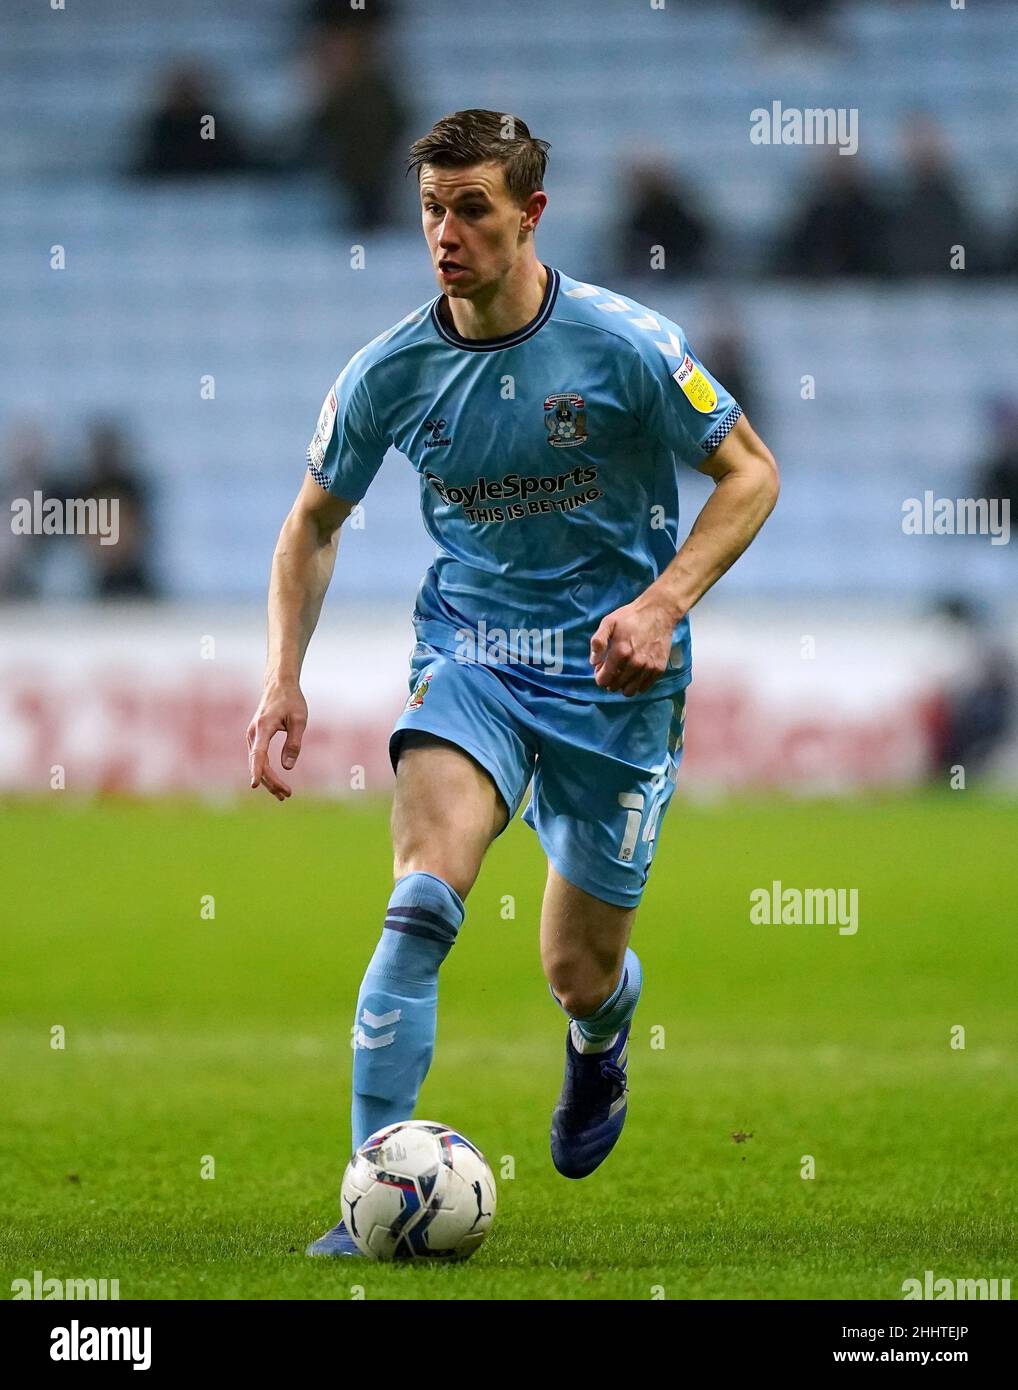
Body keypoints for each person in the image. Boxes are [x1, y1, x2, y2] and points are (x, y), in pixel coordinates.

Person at [245, 109, 779, 1257]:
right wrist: (282, 677)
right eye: (432, 208)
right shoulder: (388, 369)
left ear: (530, 213)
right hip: (473, 657)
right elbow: (311, 524)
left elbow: (748, 473)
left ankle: (600, 1040)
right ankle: (370, 1192)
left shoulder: (624, 344)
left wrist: (660, 602)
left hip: (614, 679)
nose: (445, 232)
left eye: (472, 208)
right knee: (423, 899)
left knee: (575, 969)